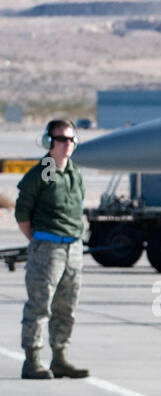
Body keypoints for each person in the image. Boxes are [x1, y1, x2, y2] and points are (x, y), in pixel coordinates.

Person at [15, 119, 88, 380]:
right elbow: (23, 210)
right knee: (40, 304)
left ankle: (59, 357)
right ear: (49, 142)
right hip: (48, 248)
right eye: (61, 139)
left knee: (67, 307)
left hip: (73, 248)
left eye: (71, 139)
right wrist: (38, 240)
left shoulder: (75, 172)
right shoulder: (44, 171)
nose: (67, 144)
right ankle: (32, 359)